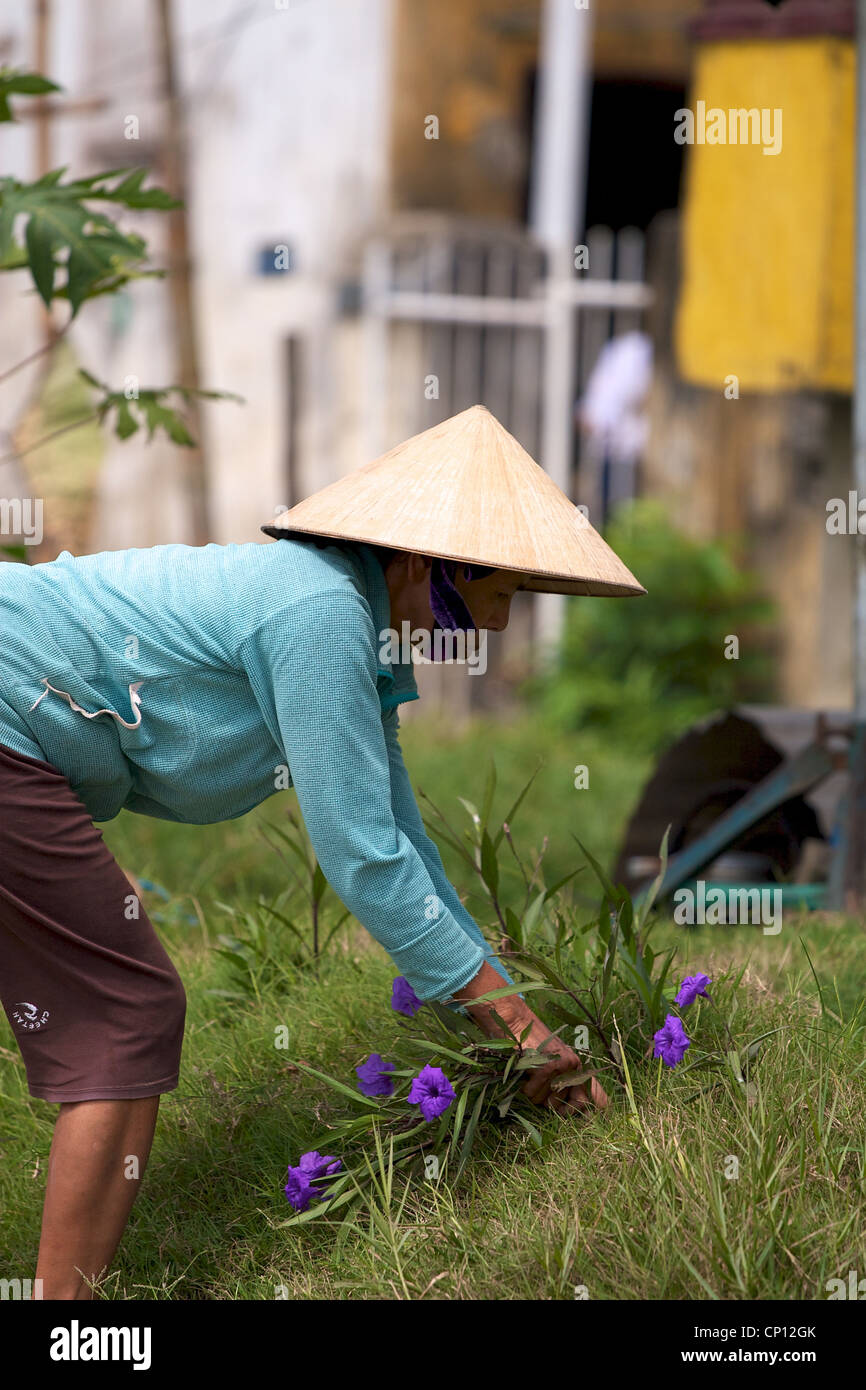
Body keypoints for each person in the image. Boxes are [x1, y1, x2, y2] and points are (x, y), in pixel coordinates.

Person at [0, 403, 644, 1300]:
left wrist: (507, 1016)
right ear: (423, 561)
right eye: (496, 589)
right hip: (8, 720)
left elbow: (402, 844)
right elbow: (363, 859)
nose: (496, 622)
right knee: (126, 1014)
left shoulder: (351, 626)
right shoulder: (317, 613)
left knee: (127, 1015)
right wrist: (522, 1030)